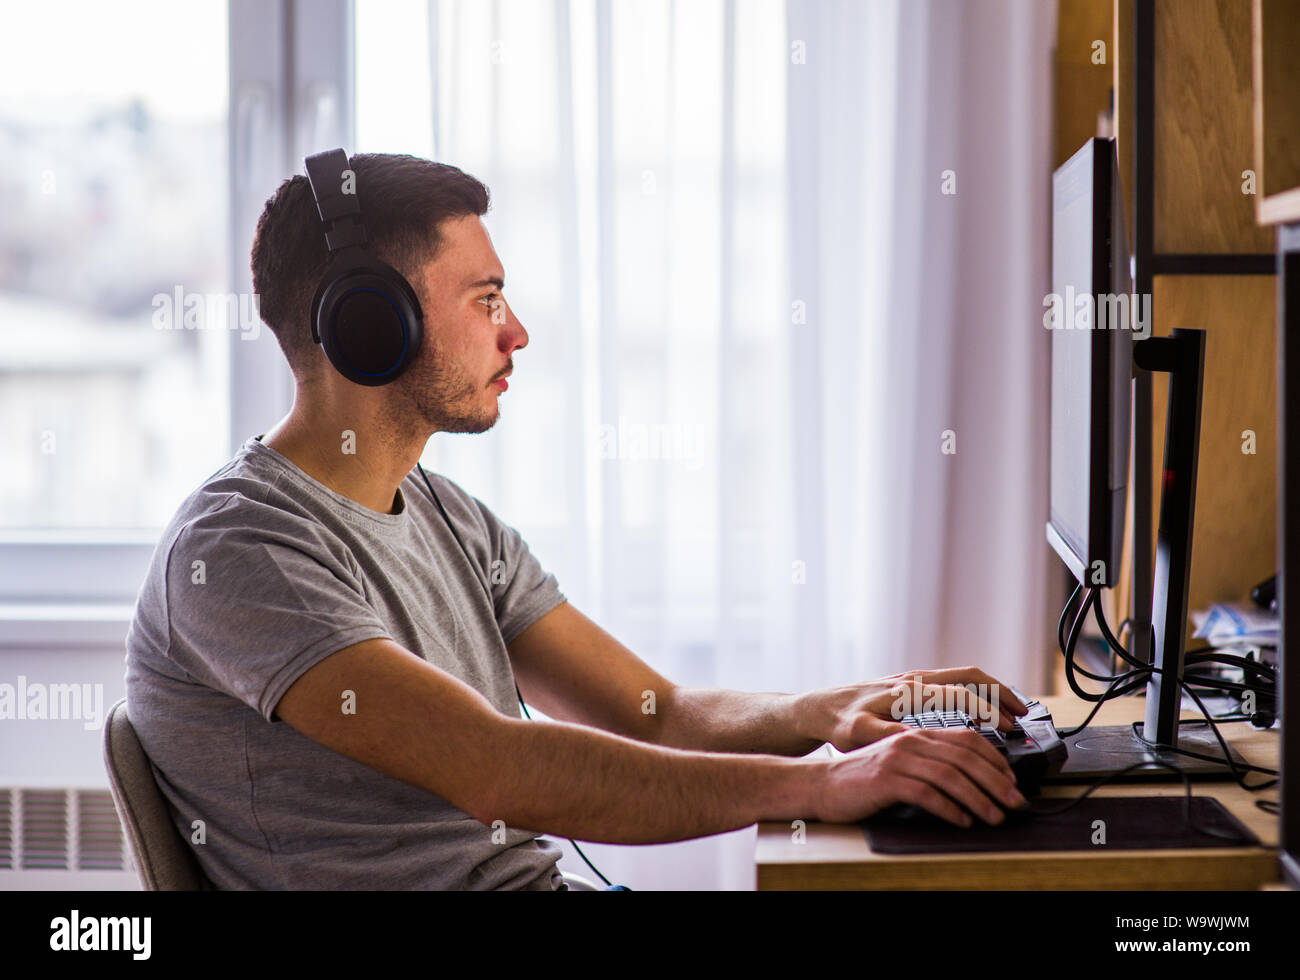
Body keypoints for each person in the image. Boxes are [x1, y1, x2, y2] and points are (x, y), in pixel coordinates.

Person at [125, 152, 1028, 891]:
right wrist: (825, 784)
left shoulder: (449, 518)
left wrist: (836, 711)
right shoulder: (241, 548)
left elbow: (658, 712)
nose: (516, 332)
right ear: (370, 326)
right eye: (484, 299)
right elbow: (498, 768)